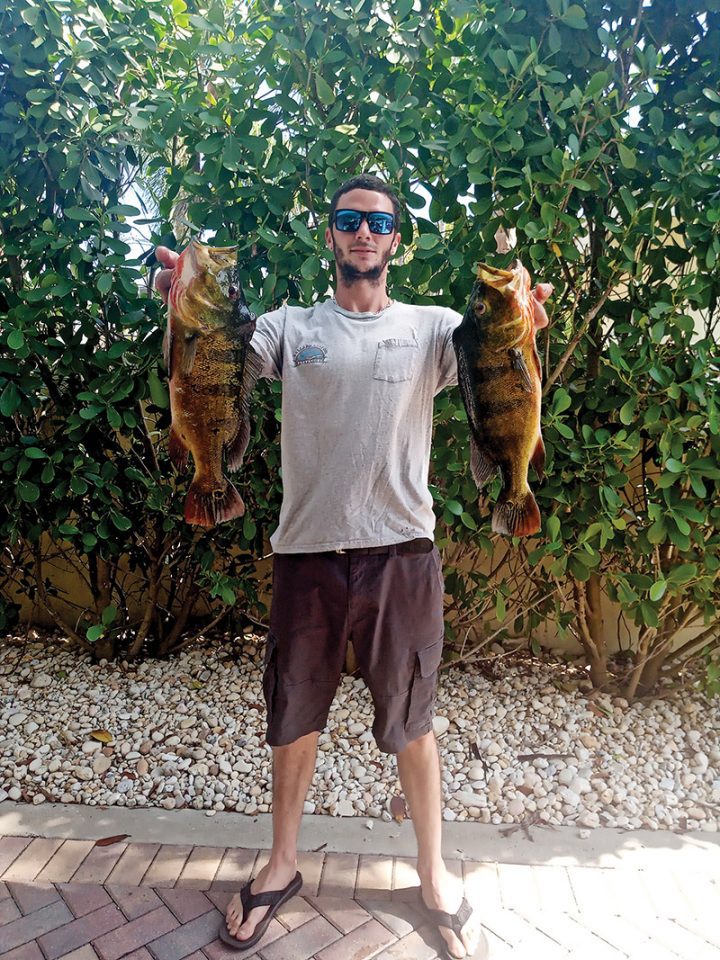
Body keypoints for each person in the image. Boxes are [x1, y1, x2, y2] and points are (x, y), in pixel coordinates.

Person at [155, 173, 551, 960]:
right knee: (293, 717)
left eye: (377, 222)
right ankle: (281, 864)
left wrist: (525, 323)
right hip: (306, 557)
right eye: (348, 219)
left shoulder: (434, 328)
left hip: (403, 555)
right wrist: (177, 308)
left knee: (412, 721)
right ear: (331, 235)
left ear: (396, 240)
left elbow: (499, 364)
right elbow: (214, 363)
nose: (363, 232)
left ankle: (433, 874)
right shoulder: (289, 327)